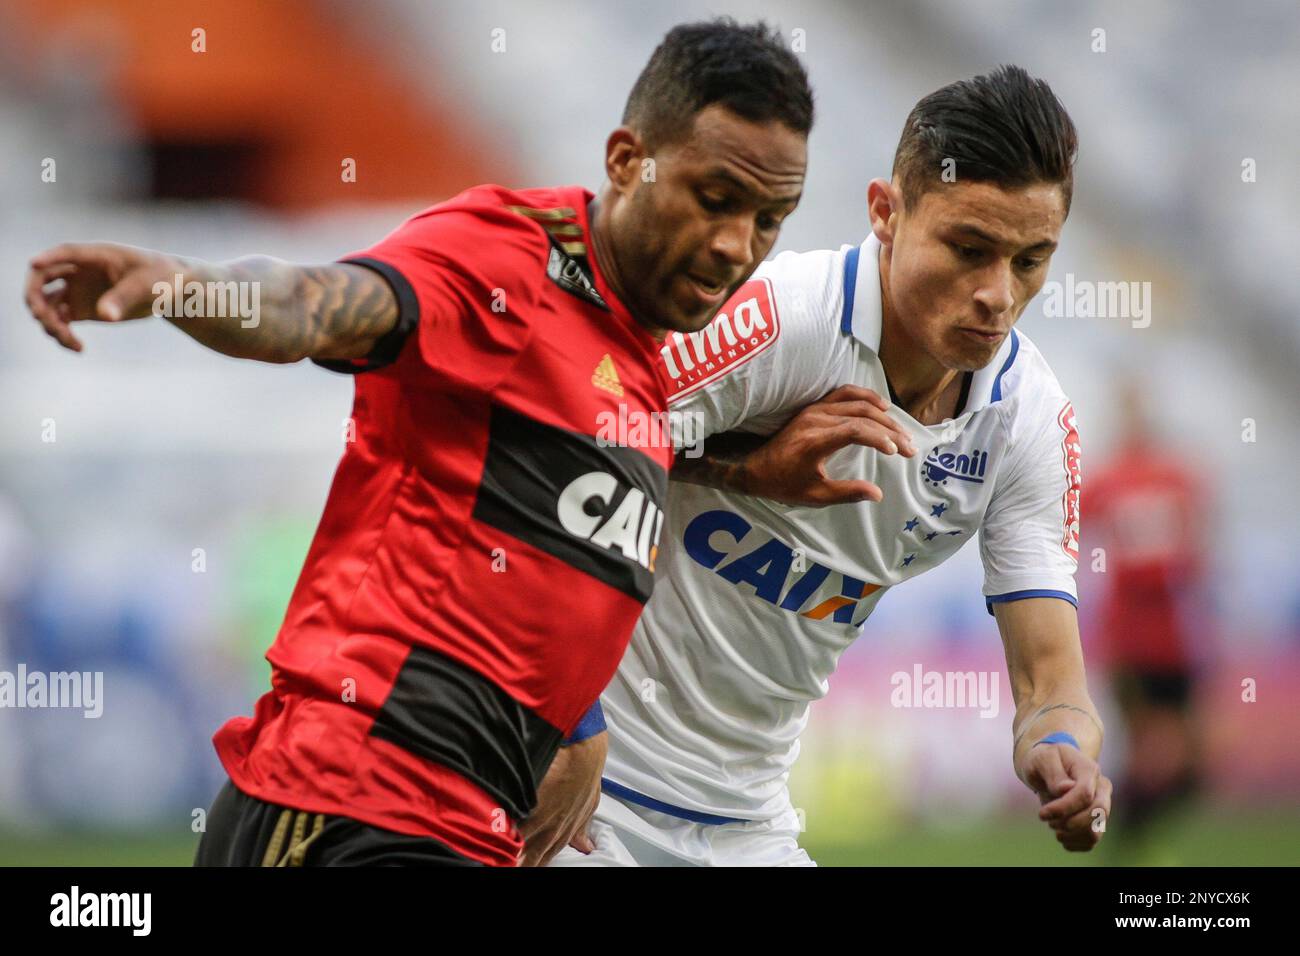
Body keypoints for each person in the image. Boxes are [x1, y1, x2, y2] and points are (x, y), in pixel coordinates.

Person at [22, 18, 813, 867]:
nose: (739, 246)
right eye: (716, 199)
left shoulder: (647, 357)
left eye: (771, 218)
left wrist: (581, 721)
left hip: (460, 830)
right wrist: (183, 287)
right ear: (627, 159)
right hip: (352, 802)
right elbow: (308, 304)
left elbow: (545, 525)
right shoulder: (509, 261)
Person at [546, 65, 1112, 866]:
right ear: (885, 212)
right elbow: (566, 447)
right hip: (585, 783)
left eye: (1030, 260)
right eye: (969, 247)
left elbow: (1053, 682)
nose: (997, 294)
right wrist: (564, 728)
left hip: (749, 821)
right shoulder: (785, 319)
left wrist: (1061, 747)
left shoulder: (1028, 422)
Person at [1087, 382, 1206, 854]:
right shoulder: (1128, 477)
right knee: (1152, 749)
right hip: (1132, 637)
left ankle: (1128, 843)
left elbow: (1197, 556)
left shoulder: (1170, 476)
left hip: (1168, 637)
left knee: (1176, 755)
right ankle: (1127, 849)